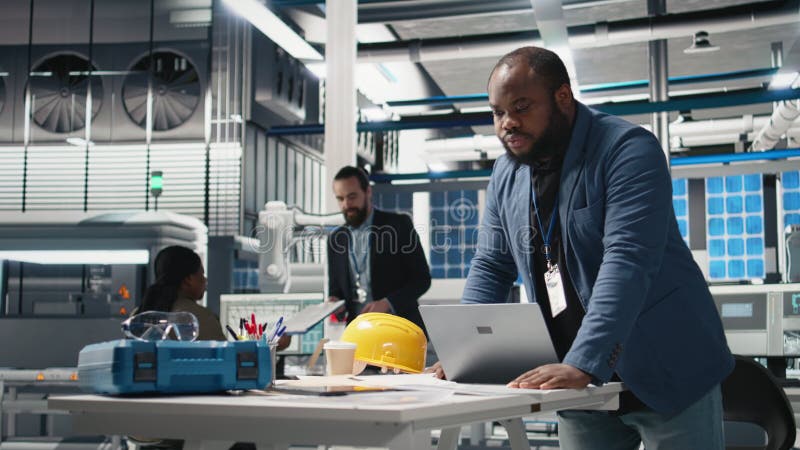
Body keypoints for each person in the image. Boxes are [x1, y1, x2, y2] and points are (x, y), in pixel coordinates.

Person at [432, 46, 734, 449]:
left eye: (521, 107)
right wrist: (464, 352)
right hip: (576, 385)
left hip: (665, 365)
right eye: (498, 112)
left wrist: (583, 361)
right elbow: (491, 264)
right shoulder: (507, 172)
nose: (508, 123)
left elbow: (627, 258)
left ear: (562, 97)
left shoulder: (627, 149)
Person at [327, 166, 431, 335]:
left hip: (400, 331)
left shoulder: (398, 225)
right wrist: (334, 304)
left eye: (352, 197)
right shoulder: (336, 239)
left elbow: (422, 280)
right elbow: (336, 291)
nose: (346, 204)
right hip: (360, 336)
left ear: (368, 192)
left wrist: (388, 303)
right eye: (340, 199)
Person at [139, 245, 226, 341]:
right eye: (201, 274)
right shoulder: (201, 318)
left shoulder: (138, 315)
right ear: (188, 279)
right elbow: (225, 354)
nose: (205, 279)